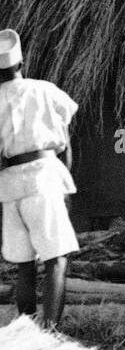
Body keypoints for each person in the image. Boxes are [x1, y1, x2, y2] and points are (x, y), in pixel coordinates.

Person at [0, 29, 79, 328]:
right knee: (56, 259)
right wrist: (65, 183)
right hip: (42, 181)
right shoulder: (44, 91)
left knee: (24, 266)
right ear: (20, 63)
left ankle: (27, 328)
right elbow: (65, 142)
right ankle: (50, 334)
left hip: (9, 187)